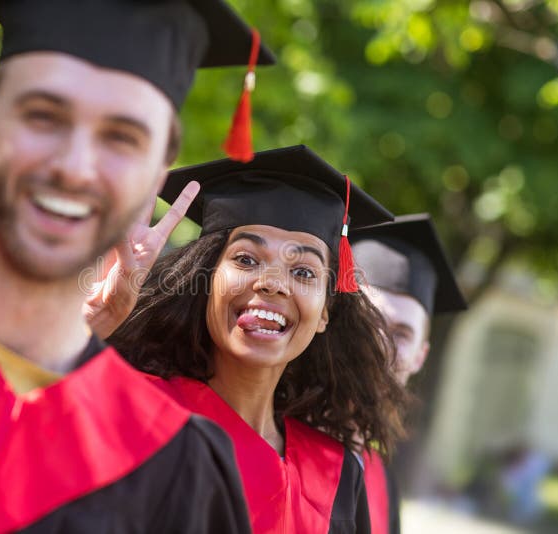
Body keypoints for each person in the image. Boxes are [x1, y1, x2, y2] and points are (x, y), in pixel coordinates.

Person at [0, 1, 276, 532]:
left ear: (158, 174)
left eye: (121, 138)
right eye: (43, 116)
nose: (74, 166)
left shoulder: (176, 477)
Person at [107, 145, 409, 533]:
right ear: (207, 282)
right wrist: (93, 322)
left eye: (303, 272)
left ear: (325, 314)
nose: (273, 283)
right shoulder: (135, 411)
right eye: (246, 259)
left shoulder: (337, 475)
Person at [349, 213, 468, 534]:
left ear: (420, 357)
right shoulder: (277, 444)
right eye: (368, 321)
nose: (381, 343)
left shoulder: (381, 481)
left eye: (401, 333)